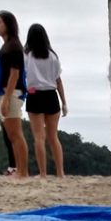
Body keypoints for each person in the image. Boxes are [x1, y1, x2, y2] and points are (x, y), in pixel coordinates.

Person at [23, 23, 67, 177]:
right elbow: (58, 80)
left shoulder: (27, 55)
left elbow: (23, 76)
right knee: (53, 136)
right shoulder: (52, 56)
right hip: (51, 95)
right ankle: (60, 172)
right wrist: (64, 102)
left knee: (39, 137)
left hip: (35, 95)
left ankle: (43, 173)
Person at [0, 11, 28, 178]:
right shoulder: (6, 46)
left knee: (15, 134)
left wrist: (5, 98)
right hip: (5, 93)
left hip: (11, 93)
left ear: (8, 24)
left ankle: (23, 171)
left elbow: (15, 74)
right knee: (12, 135)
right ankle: (19, 170)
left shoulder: (13, 46)